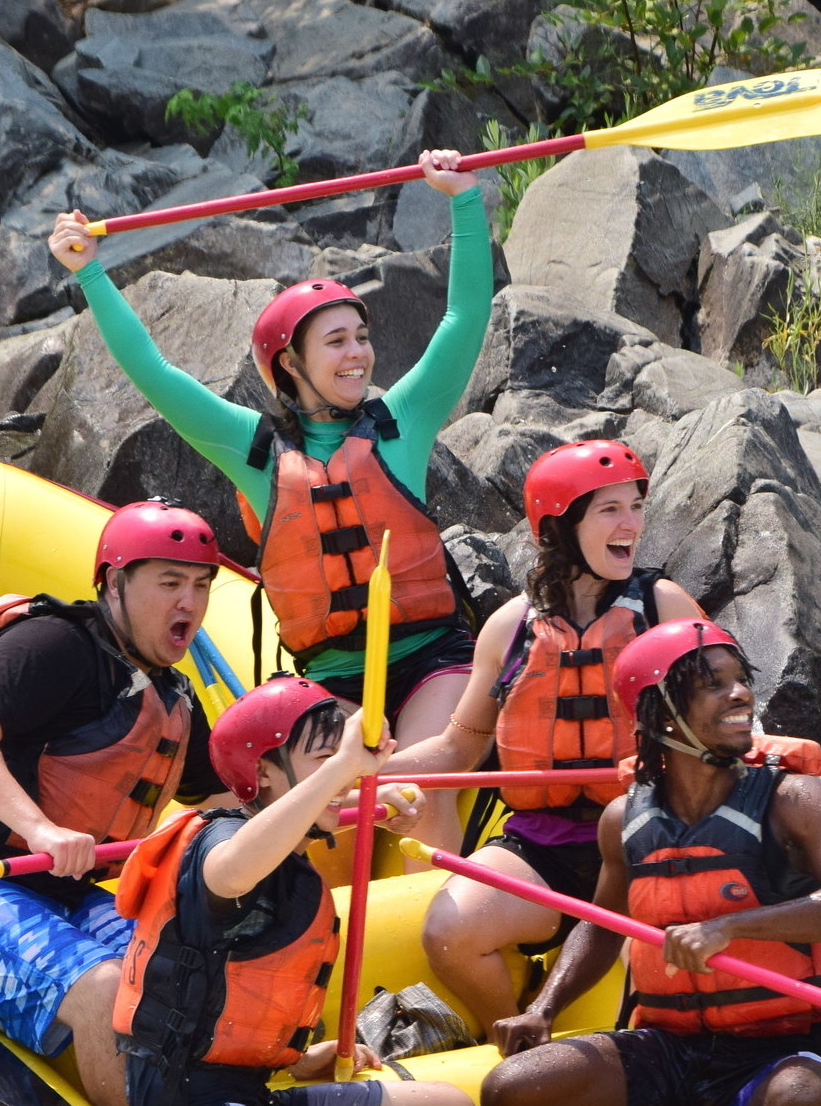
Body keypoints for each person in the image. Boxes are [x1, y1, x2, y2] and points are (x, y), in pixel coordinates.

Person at [47, 148, 494, 852]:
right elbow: (154, 373)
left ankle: (432, 895)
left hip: (433, 656)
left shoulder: (400, 423)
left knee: (419, 793)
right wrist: (90, 273)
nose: (358, 354)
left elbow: (465, 317)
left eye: (362, 337)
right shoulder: (257, 453)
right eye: (336, 341)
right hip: (329, 677)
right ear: (289, 363)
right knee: (312, 819)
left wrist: (463, 200)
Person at [479, 619, 821, 1106]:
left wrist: (729, 927)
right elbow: (601, 927)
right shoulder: (623, 819)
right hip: (666, 1051)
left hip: (778, 1051)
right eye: (713, 684)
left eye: (740, 680)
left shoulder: (792, 800)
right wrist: (543, 1009)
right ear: (662, 714)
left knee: (802, 1100)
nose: (740, 694)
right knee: (511, 1091)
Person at [0, 500, 231, 1106]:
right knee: (105, 988)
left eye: (201, 586)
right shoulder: (53, 644)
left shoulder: (171, 693)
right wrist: (39, 829)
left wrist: (340, 803)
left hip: (58, 897)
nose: (190, 602)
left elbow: (228, 804)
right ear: (114, 584)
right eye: (170, 583)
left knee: (198, 972)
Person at [117, 674, 477, 1106]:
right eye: (324, 759)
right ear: (262, 772)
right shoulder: (221, 847)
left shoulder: (285, 850)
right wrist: (346, 768)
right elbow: (232, 870)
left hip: (247, 1101)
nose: (344, 773)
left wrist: (298, 1059)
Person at [383, 442, 703, 1038]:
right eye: (610, 510)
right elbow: (458, 748)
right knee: (448, 932)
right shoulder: (510, 627)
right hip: (542, 846)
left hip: (646, 839)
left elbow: (724, 721)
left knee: (658, 975)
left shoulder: (664, 607)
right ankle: (515, 1042)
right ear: (559, 527)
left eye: (636, 506)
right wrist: (359, 772)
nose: (632, 524)